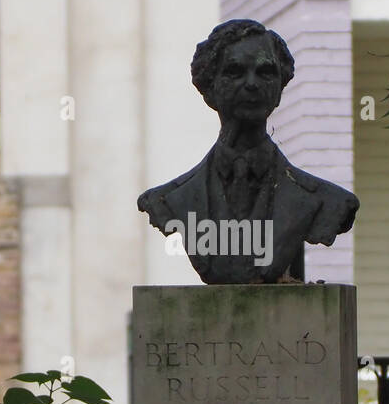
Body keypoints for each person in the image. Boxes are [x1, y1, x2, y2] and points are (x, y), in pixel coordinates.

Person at [137, 18, 359, 284]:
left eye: (265, 72)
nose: (252, 83)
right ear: (209, 88)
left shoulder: (326, 201)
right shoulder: (169, 200)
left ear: (279, 89)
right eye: (235, 71)